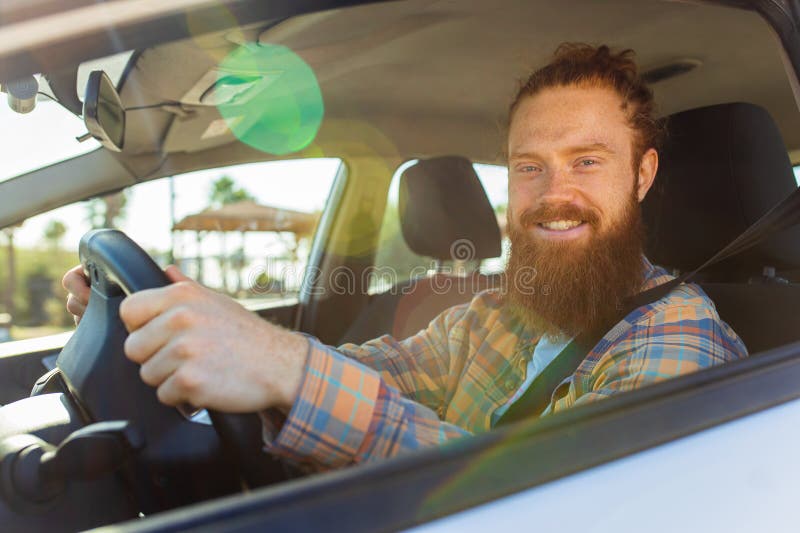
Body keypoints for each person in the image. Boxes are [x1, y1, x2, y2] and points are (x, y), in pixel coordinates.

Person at [63, 44, 748, 471]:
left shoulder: (681, 337)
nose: (553, 195)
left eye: (587, 162)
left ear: (643, 174)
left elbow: (550, 502)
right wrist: (198, 324)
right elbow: (379, 369)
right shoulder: (495, 313)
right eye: (528, 167)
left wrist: (284, 369)